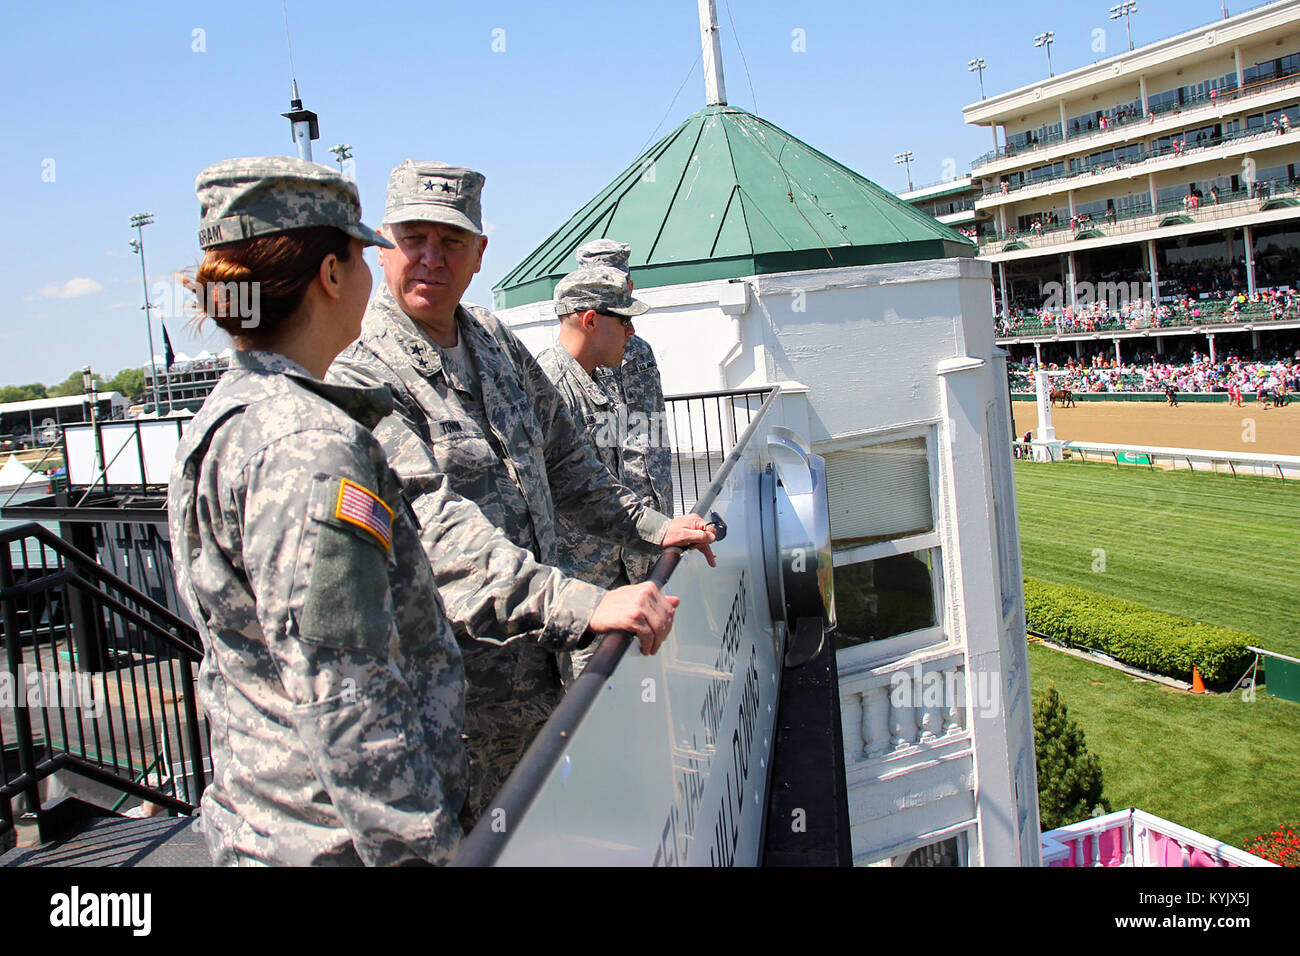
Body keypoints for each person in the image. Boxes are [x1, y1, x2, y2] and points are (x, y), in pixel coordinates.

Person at [328, 160, 715, 824]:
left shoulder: (494, 343)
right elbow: (438, 533)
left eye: (451, 241)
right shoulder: (361, 375)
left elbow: (569, 463)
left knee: (553, 828)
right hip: (453, 701)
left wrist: (651, 528)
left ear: (479, 254)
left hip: (543, 673)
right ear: (383, 247)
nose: (430, 257)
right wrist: (583, 604)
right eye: (413, 238)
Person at [169, 156, 466, 866]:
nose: (372, 277)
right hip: (335, 845)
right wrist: (422, 855)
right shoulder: (309, 446)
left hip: (269, 825)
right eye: (362, 256)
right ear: (331, 276)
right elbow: (347, 698)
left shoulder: (228, 418)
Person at [537, 266, 664, 677]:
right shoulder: (551, 388)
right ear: (590, 320)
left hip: (611, 582)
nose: (631, 332)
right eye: (623, 319)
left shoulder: (590, 383)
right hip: (581, 599)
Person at [578, 239, 675, 580]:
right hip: (615, 517)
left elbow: (654, 425)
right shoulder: (580, 360)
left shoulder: (640, 350)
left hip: (657, 500)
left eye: (619, 284)